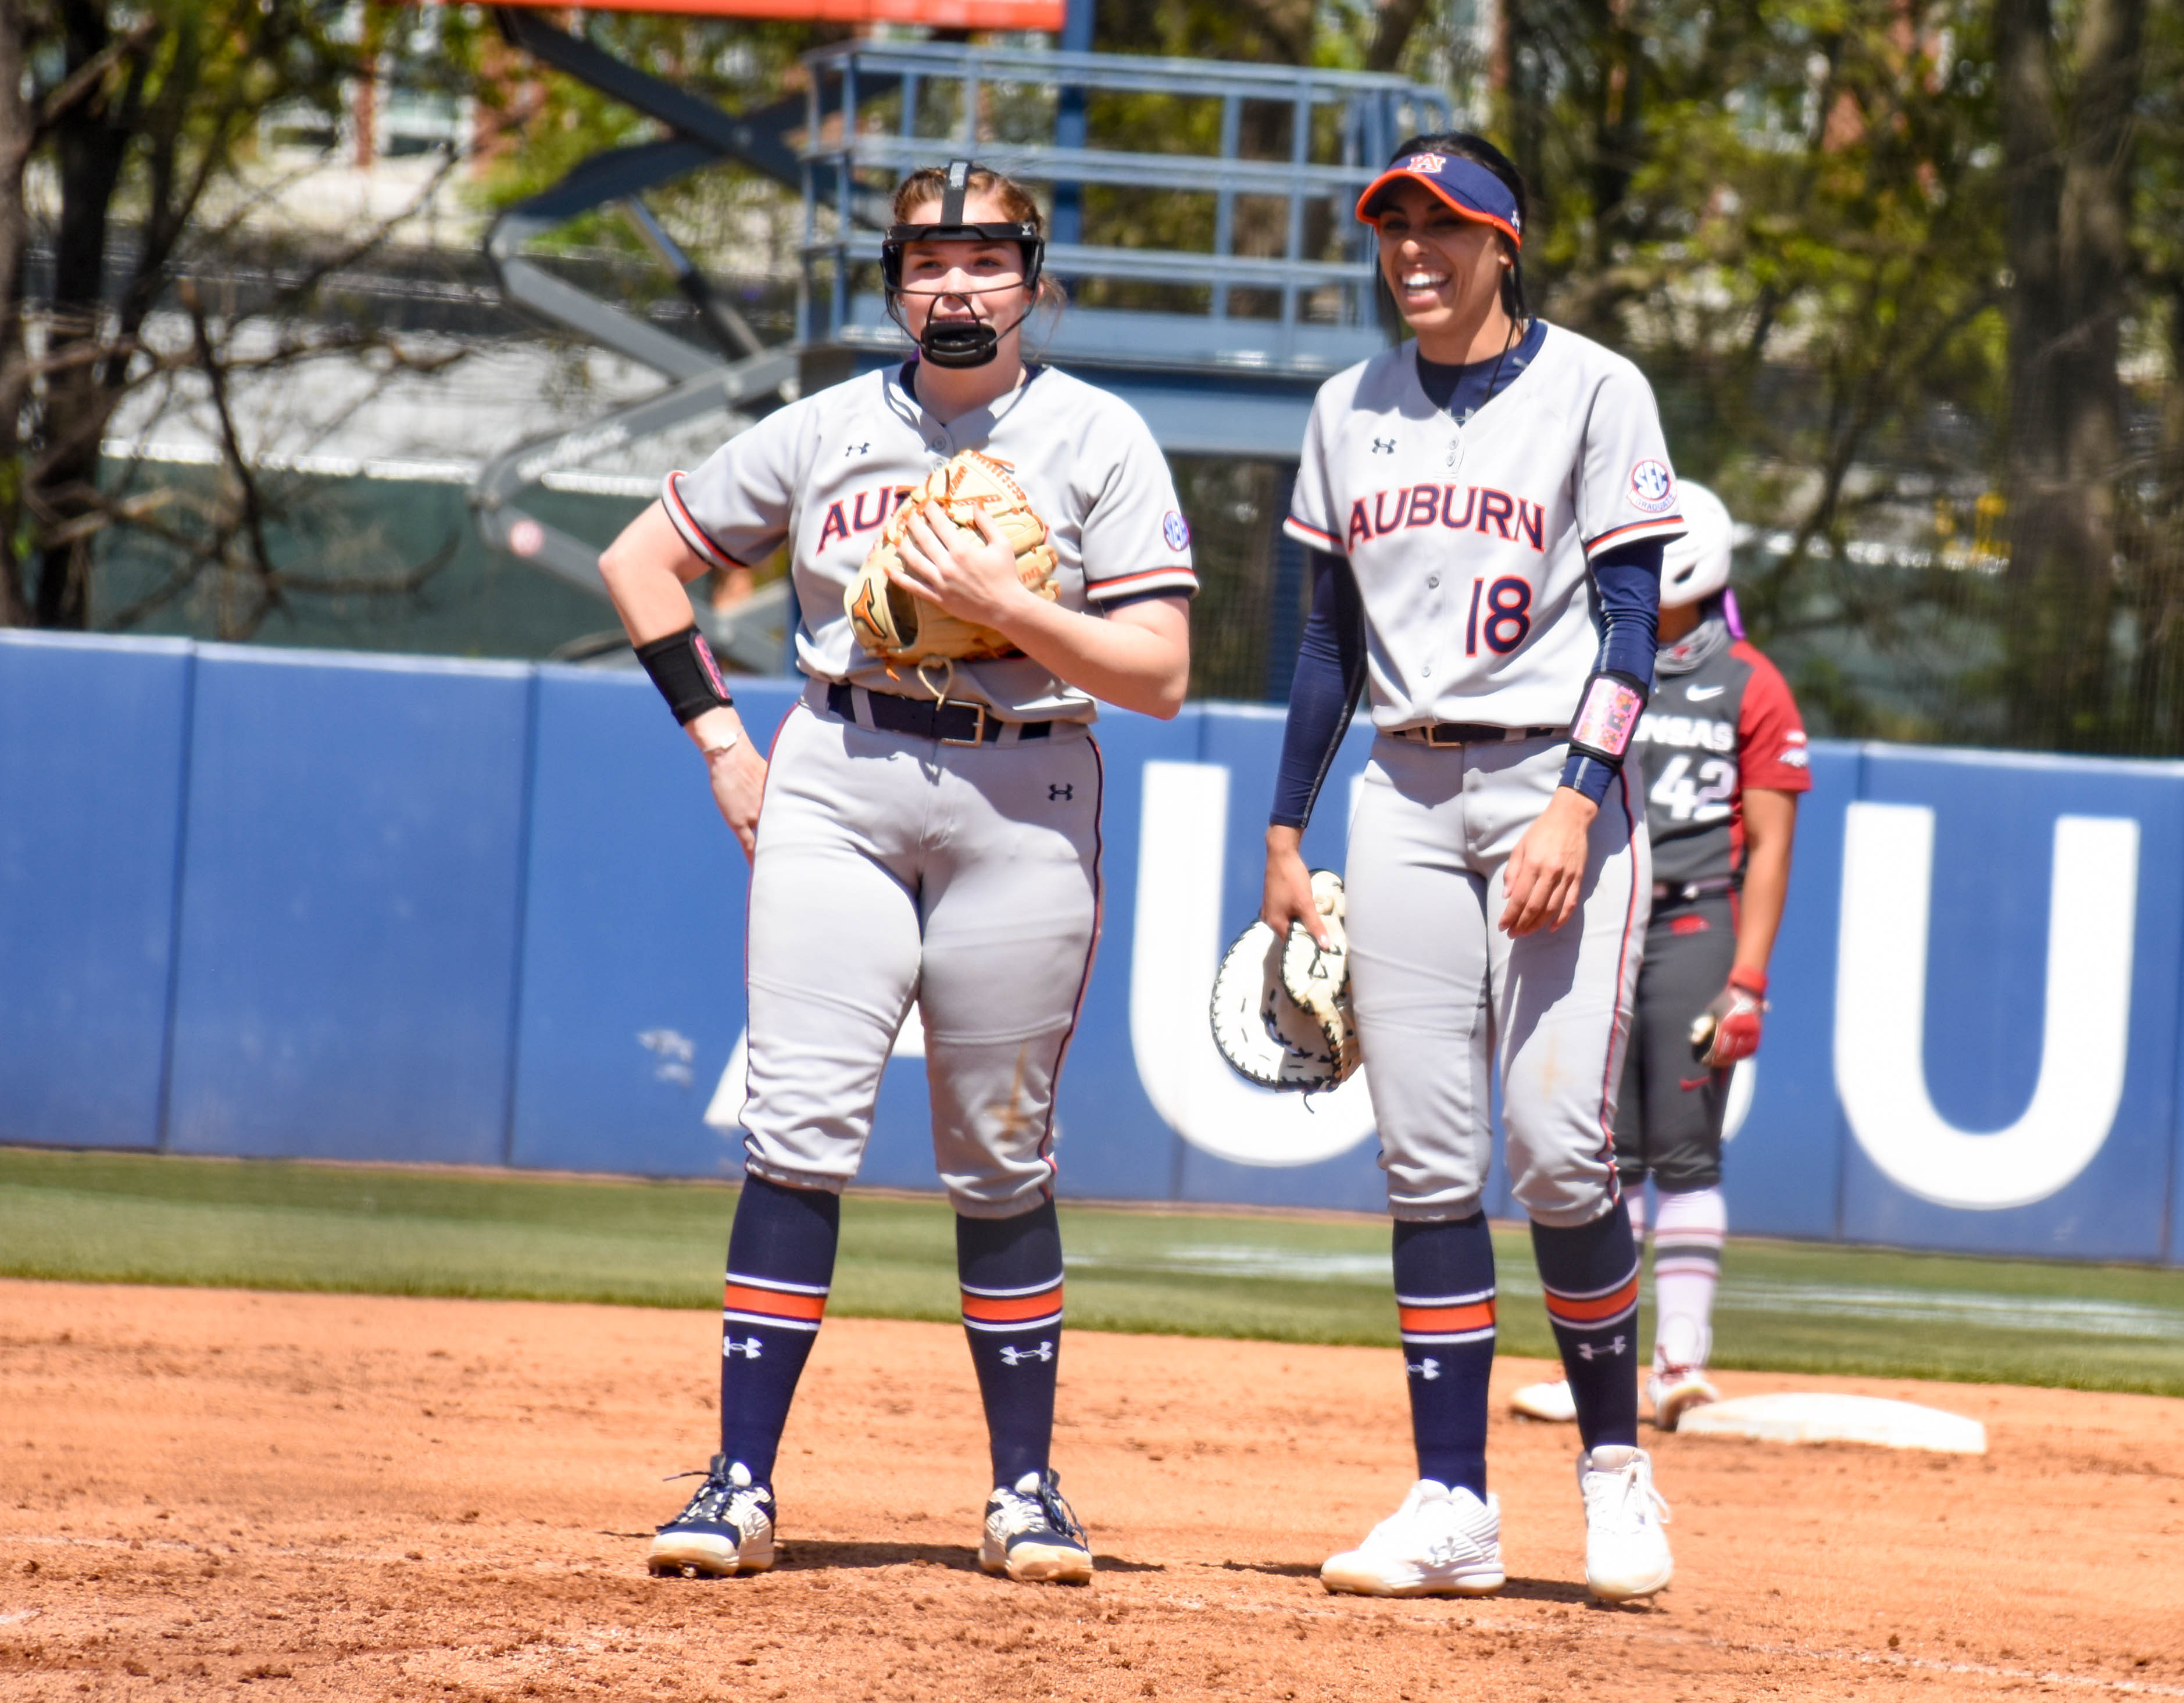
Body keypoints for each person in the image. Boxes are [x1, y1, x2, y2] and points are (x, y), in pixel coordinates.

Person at [596, 162, 1197, 1584]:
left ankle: (1027, 1490)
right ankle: (738, 1480)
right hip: (839, 774)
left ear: (1034, 283)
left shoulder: (1100, 438)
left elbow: (1162, 671)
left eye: (988, 259)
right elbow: (640, 560)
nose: (958, 284)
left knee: (997, 1150)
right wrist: (722, 746)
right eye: (928, 261)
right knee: (798, 1126)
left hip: (1025, 789)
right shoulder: (825, 429)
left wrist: (1009, 606)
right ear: (894, 287)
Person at [1260, 133, 1685, 1604]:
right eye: (1392, 226)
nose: (1412, 251)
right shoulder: (1343, 407)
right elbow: (1324, 645)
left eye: (1442, 226)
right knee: (1426, 1161)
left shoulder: (1594, 387)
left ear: (1505, 243)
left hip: (1548, 787)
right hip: (1399, 787)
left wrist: (1578, 800)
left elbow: (1633, 633)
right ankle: (1451, 1501)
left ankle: (1617, 1472)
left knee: (1560, 1144)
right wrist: (1283, 833)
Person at [1509, 478, 1808, 1429]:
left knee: (1681, 1151)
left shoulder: (1750, 682)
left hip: (1691, 920)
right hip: (1601, 910)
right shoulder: (1593, 665)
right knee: (1599, 1152)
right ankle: (1598, 1365)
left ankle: (1678, 1362)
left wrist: (1748, 981)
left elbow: (1769, 848)